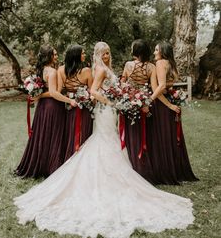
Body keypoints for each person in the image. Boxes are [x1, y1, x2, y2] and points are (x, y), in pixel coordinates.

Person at [14, 41, 194, 237]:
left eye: (109, 53)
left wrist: (120, 95)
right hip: (105, 110)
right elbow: (93, 92)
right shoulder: (99, 69)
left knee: (113, 139)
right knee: (105, 139)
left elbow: (111, 87)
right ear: (98, 54)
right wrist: (110, 102)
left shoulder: (104, 68)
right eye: (105, 53)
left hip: (110, 109)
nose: (108, 56)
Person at [121, 39, 181, 184]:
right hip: (144, 101)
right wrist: (144, 98)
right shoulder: (152, 67)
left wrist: (127, 94)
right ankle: (143, 166)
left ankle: (132, 165)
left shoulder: (128, 65)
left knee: (132, 133)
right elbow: (155, 88)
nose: (154, 52)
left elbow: (122, 82)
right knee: (145, 135)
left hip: (129, 101)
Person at [15, 45, 77, 178]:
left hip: (43, 107)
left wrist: (39, 96)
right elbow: (55, 93)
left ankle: (42, 164)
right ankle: (51, 166)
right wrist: (69, 100)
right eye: (54, 54)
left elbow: (44, 90)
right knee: (53, 135)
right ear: (48, 56)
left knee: (44, 134)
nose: (56, 56)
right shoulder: (53, 72)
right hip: (53, 106)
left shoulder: (42, 70)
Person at [149, 41, 198, 185]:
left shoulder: (160, 63)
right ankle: (175, 169)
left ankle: (165, 171)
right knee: (171, 137)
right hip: (170, 100)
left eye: (156, 50)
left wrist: (151, 100)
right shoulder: (172, 64)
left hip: (163, 104)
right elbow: (169, 85)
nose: (154, 52)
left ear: (162, 51)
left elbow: (162, 86)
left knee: (162, 137)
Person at [57, 44, 93, 162]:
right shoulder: (87, 71)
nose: (84, 55)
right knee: (83, 136)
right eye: (82, 53)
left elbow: (59, 92)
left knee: (72, 135)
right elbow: (92, 92)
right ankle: (82, 162)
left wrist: (69, 98)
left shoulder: (61, 70)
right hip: (83, 110)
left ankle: (72, 161)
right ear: (76, 55)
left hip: (70, 109)